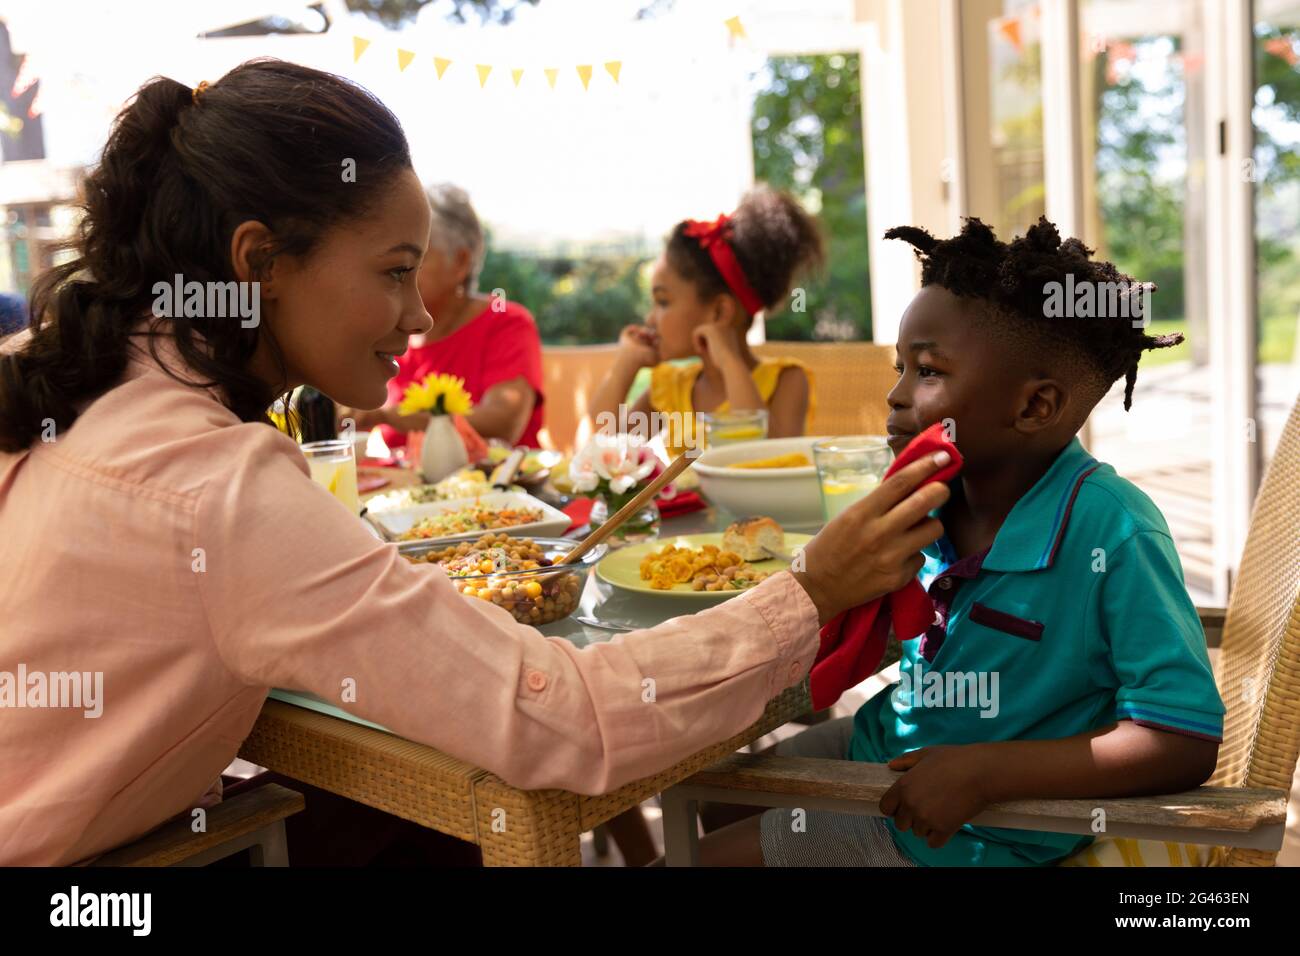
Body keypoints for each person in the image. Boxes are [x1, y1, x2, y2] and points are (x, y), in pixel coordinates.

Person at [0, 58, 952, 866]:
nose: (418, 316)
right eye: (391, 271)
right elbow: (570, 718)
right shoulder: (219, 487)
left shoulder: (67, 389)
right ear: (259, 263)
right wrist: (809, 590)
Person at [691, 218, 1225, 866]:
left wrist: (984, 774)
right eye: (900, 367)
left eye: (926, 371)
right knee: (707, 802)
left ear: (1034, 408)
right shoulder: (938, 495)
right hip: (887, 743)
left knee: (699, 859)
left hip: (965, 827)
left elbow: (1179, 740)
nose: (892, 395)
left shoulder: (1114, 534)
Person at [589, 186, 823, 458]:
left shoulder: (787, 381)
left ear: (719, 312)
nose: (650, 319)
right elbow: (602, 449)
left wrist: (729, 360)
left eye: (663, 302)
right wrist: (625, 366)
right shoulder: (671, 387)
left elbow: (763, 459)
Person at [342, 184, 544, 451]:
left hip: (499, 489)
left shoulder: (505, 322)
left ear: (460, 262)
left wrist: (388, 415)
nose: (397, 272)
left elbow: (503, 424)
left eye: (416, 259)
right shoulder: (387, 331)